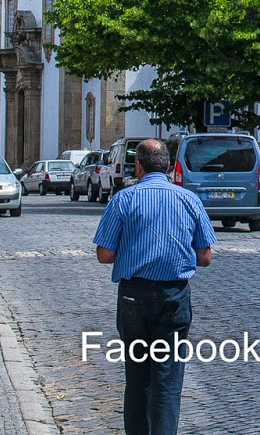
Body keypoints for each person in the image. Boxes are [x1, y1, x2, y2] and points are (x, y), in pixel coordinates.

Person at [93, 138, 216, 435]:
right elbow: (205, 256)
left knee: (137, 378)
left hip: (134, 296)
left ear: (138, 165)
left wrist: (136, 251)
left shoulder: (124, 199)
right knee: (168, 378)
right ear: (170, 166)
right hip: (173, 296)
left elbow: (104, 254)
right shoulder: (189, 200)